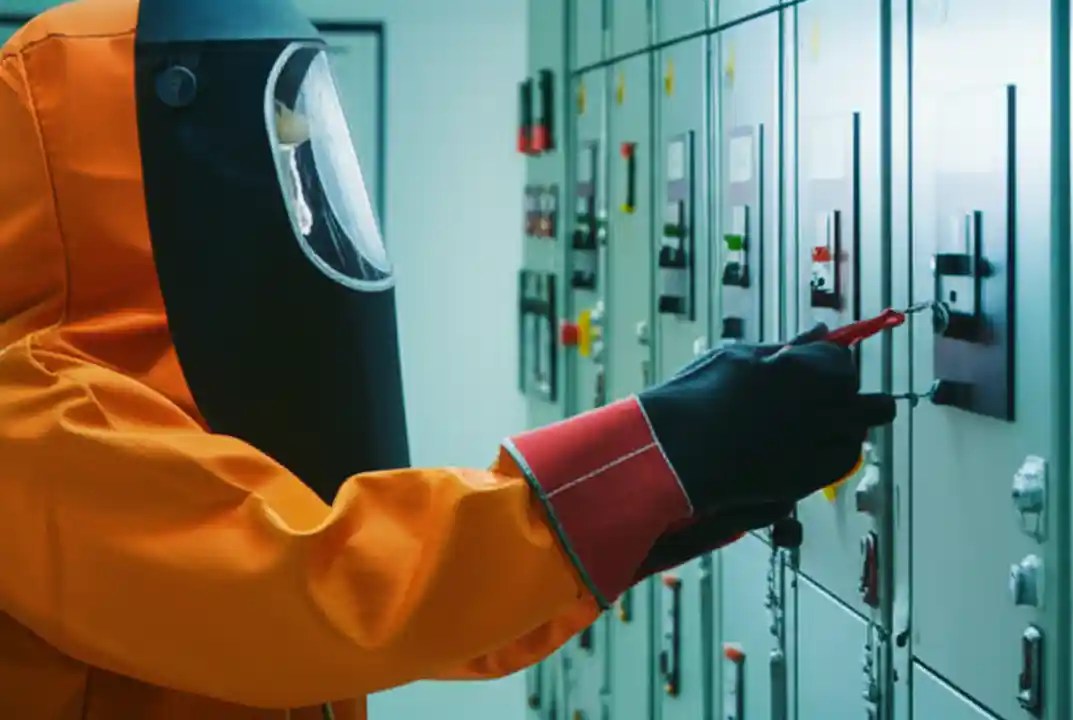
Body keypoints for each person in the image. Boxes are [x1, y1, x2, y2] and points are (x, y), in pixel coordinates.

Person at [0, 0, 897, 718]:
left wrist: (652, 517)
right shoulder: (27, 424)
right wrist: (647, 458)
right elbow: (322, 592)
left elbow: (399, 617)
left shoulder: (144, 394)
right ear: (117, 171)